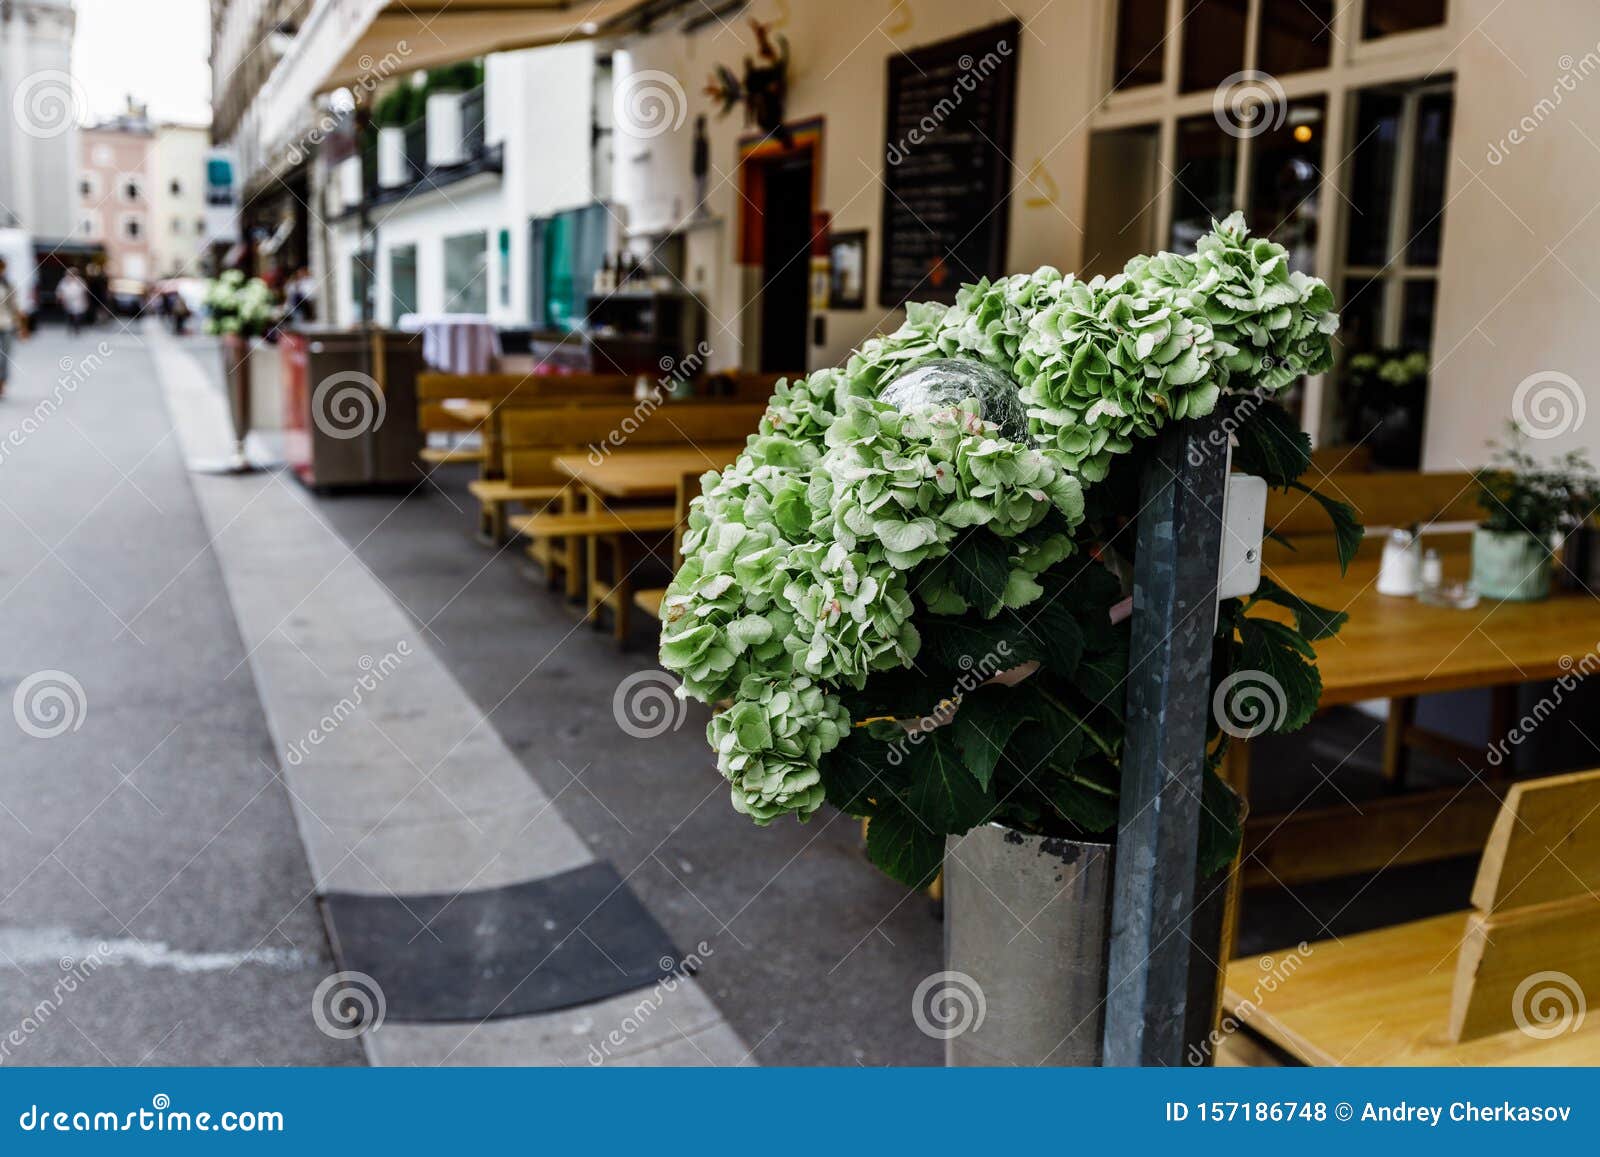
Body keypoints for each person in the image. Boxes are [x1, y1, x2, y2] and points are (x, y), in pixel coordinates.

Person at [0, 257, 25, 399]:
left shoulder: (8, 285)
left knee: (5, 358)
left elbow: (15, 308)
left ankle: (2, 383)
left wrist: (21, 327)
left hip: (7, 325)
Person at [57, 268, 90, 335]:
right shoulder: (64, 281)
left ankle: (76, 328)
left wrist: (85, 300)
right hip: (68, 300)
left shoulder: (80, 280)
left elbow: (84, 291)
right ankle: (70, 327)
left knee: (77, 315)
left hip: (78, 301)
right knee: (69, 314)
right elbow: (60, 291)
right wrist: (61, 299)